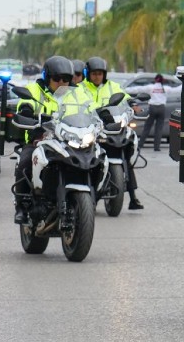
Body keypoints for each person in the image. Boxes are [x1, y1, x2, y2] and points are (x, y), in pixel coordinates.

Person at [12, 55, 96, 224]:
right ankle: (21, 206)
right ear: (47, 78)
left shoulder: (79, 93)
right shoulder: (35, 90)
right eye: (56, 79)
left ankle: (91, 196)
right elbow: (24, 105)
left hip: (70, 141)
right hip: (40, 139)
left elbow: (93, 110)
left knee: (98, 156)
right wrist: (27, 112)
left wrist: (104, 116)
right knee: (25, 161)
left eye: (65, 79)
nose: (61, 83)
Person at [82, 56, 143, 210]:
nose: (97, 77)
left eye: (100, 73)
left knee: (126, 158)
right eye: (94, 73)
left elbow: (124, 97)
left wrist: (133, 104)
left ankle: (133, 196)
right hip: (91, 129)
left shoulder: (112, 86)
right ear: (88, 73)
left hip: (111, 126)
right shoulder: (81, 89)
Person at [140, 73, 169, 153]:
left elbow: (138, 89)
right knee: (159, 129)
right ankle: (157, 147)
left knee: (147, 127)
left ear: (155, 79)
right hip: (161, 108)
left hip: (152, 108)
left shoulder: (150, 87)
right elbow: (177, 89)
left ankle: (140, 144)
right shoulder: (165, 88)